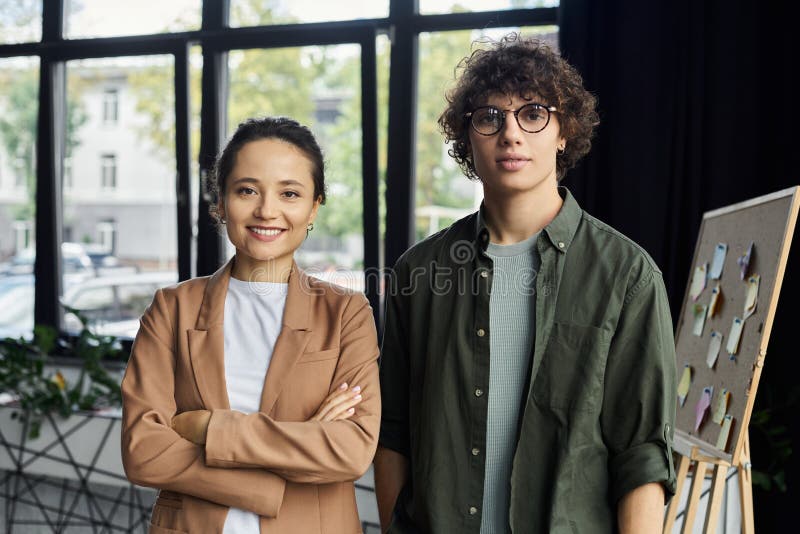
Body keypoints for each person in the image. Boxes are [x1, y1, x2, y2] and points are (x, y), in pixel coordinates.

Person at [374, 34, 676, 533]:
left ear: (563, 131)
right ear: (467, 137)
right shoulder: (418, 273)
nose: (510, 133)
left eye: (533, 113)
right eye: (490, 117)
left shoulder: (627, 275)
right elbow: (395, 434)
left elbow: (641, 452)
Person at [121, 116, 380, 533]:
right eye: (247, 190)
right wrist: (299, 447)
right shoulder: (172, 309)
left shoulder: (346, 313)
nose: (266, 210)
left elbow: (350, 451)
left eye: (290, 193)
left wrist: (212, 428)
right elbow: (144, 452)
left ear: (314, 207)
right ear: (221, 202)